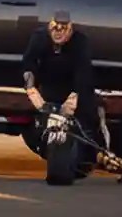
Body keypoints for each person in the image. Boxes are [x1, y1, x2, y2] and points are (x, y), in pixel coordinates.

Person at [22, 10, 106, 174]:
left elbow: (84, 71)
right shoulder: (39, 38)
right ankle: (47, 148)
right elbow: (28, 63)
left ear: (70, 29)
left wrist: (75, 96)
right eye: (55, 28)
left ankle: (89, 155)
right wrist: (31, 88)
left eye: (63, 28)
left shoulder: (80, 41)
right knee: (38, 120)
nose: (58, 32)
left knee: (87, 115)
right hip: (48, 85)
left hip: (74, 86)